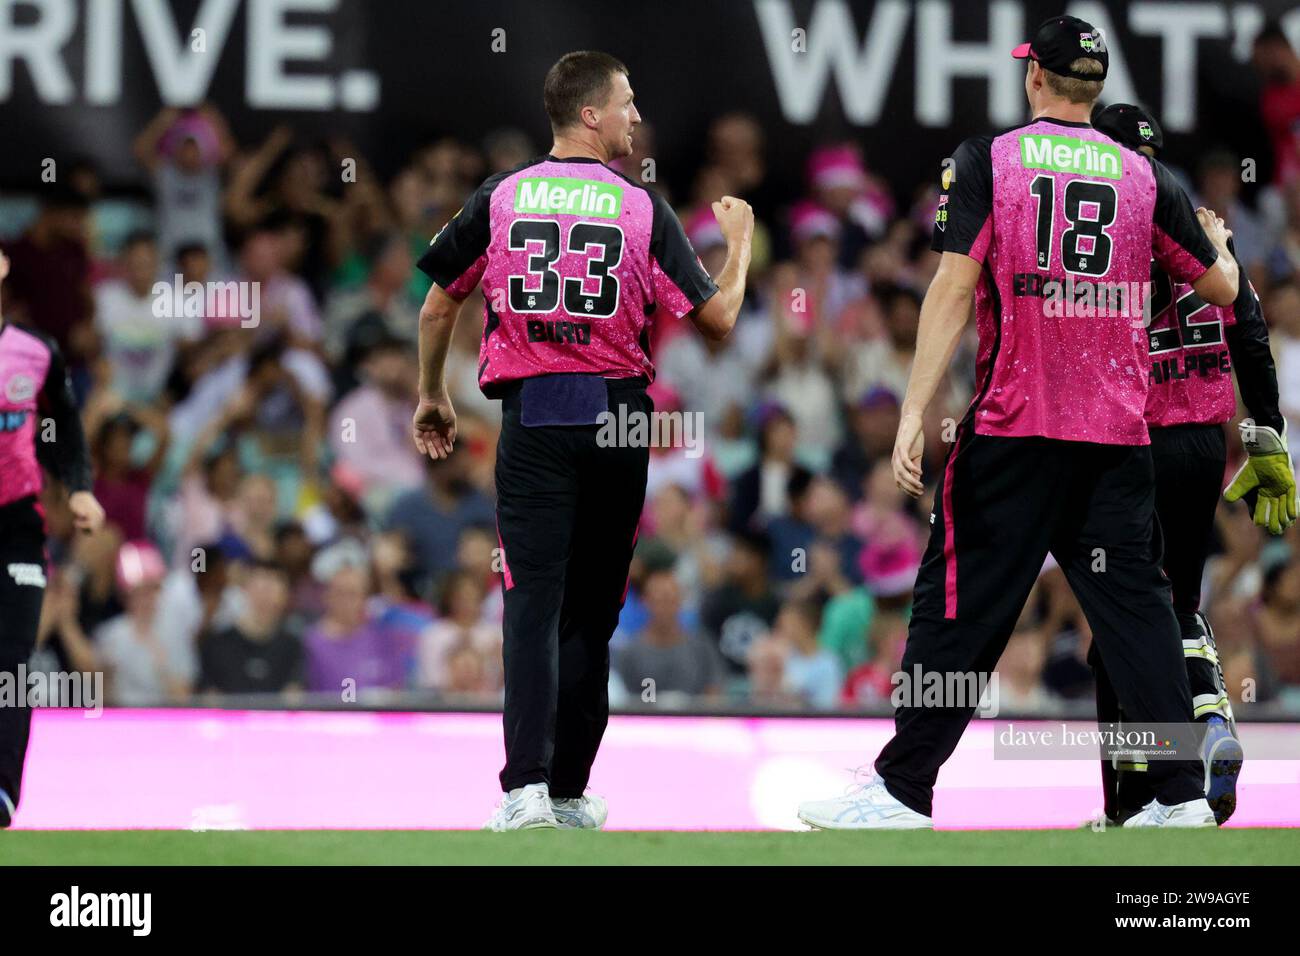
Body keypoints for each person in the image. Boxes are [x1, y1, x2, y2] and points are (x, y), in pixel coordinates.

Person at [797, 15, 1239, 831]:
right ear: (1095, 87)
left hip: (1014, 426)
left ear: (1034, 77)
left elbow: (954, 290)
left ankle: (900, 790)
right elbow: (1218, 289)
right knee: (1139, 612)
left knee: (960, 608)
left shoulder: (988, 161)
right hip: (1116, 438)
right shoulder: (1144, 177)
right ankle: (1178, 797)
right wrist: (1227, 253)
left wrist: (913, 409)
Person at [411, 50, 753, 830]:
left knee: (532, 603)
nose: (638, 116)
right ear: (591, 114)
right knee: (594, 612)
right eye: (628, 102)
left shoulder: (502, 195)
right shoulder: (639, 207)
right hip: (620, 416)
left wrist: (433, 393)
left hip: (535, 414)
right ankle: (568, 792)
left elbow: (437, 308)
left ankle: (525, 788)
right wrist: (742, 246)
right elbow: (720, 322)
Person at [1091, 102, 1294, 825]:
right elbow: (1248, 322)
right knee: (1161, 610)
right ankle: (1148, 785)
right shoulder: (1203, 227)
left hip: (1134, 445)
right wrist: (1266, 429)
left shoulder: (1111, 230)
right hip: (1205, 445)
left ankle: (1175, 755)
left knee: (1129, 618)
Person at [0, 250, 105, 827]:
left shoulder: (34, 352)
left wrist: (80, 487)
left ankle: (2, 793)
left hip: (14, 523)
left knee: (12, 660)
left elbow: (63, 422)